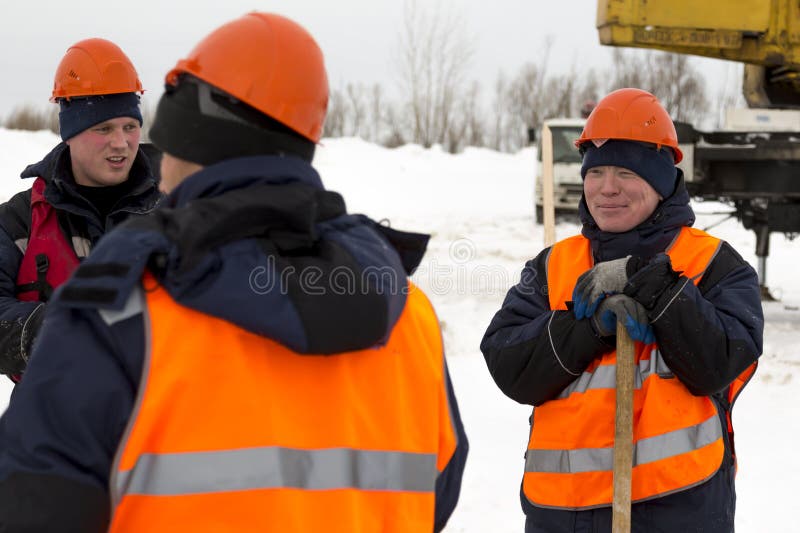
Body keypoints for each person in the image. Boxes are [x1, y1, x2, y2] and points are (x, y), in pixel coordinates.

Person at [0, 12, 467, 533]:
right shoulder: (408, 309)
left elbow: (31, 502)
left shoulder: (120, 305)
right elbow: (438, 488)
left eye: (140, 128)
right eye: (106, 128)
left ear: (192, 140)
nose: (133, 147)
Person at [481, 88, 763, 532]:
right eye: (597, 172)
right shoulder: (554, 267)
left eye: (626, 173)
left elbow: (720, 362)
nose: (607, 188)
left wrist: (654, 283)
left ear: (661, 181)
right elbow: (508, 364)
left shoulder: (713, 266)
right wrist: (588, 326)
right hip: (561, 513)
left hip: (677, 510)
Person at [0, 38, 161, 381]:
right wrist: (62, 330)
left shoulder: (179, 204)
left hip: (164, 421)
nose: (121, 143)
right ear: (69, 133)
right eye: (103, 129)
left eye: (130, 127)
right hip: (55, 423)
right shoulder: (18, 222)